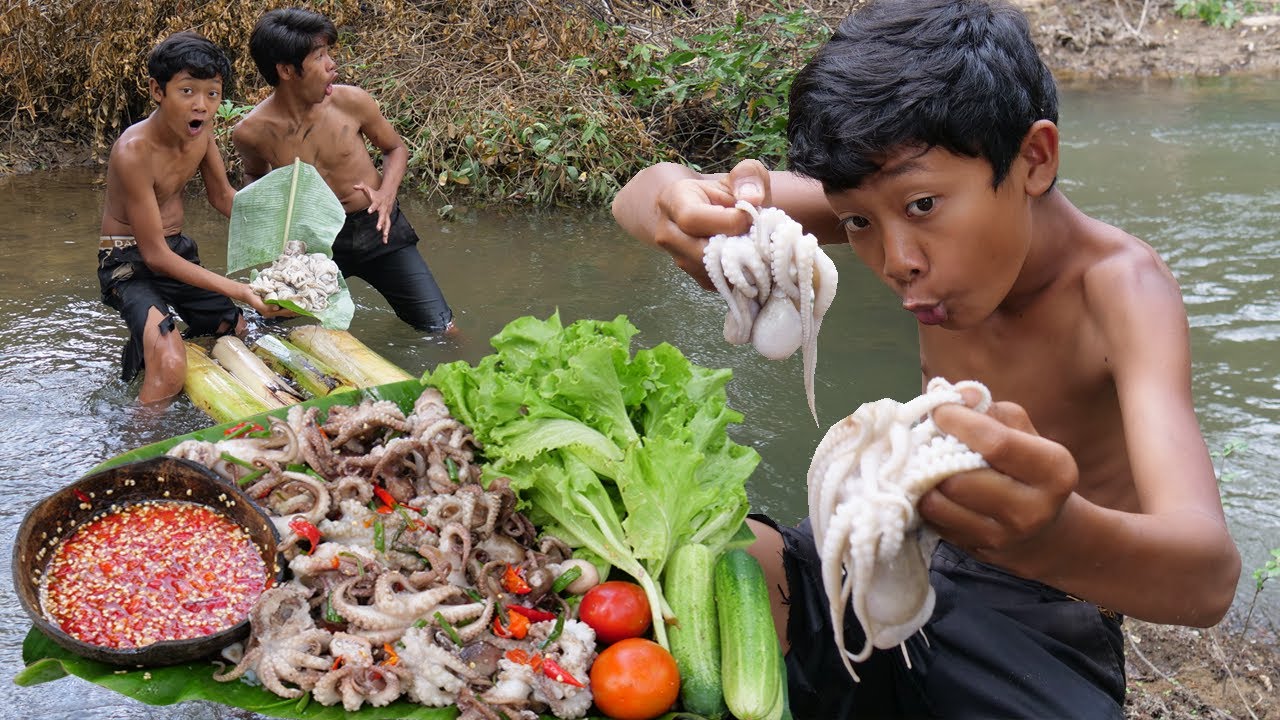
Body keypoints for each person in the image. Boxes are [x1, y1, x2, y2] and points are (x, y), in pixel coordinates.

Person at [611, 1, 1240, 717]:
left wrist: (1052, 534)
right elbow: (639, 196)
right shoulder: (894, 203)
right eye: (857, 223)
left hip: (1041, 611)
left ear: (1034, 158)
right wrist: (679, 206)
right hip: (884, 546)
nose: (895, 262)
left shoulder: (1123, 291)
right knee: (694, 554)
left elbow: (1207, 576)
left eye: (922, 208)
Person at [233, 7, 456, 335]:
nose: (331, 64)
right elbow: (254, 178)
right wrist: (273, 219)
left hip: (376, 226)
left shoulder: (351, 102)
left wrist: (385, 194)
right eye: (319, 55)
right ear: (286, 70)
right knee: (259, 325)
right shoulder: (251, 132)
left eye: (328, 53)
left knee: (442, 330)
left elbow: (395, 149)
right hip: (313, 241)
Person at [98, 31, 289, 405]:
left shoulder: (202, 134)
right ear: (157, 90)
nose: (201, 105)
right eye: (187, 91)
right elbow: (153, 257)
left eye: (212, 94)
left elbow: (224, 198)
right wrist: (241, 290)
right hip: (127, 263)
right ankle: (141, 446)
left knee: (233, 330)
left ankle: (148, 347)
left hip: (175, 249)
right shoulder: (133, 151)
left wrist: (287, 231)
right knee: (170, 367)